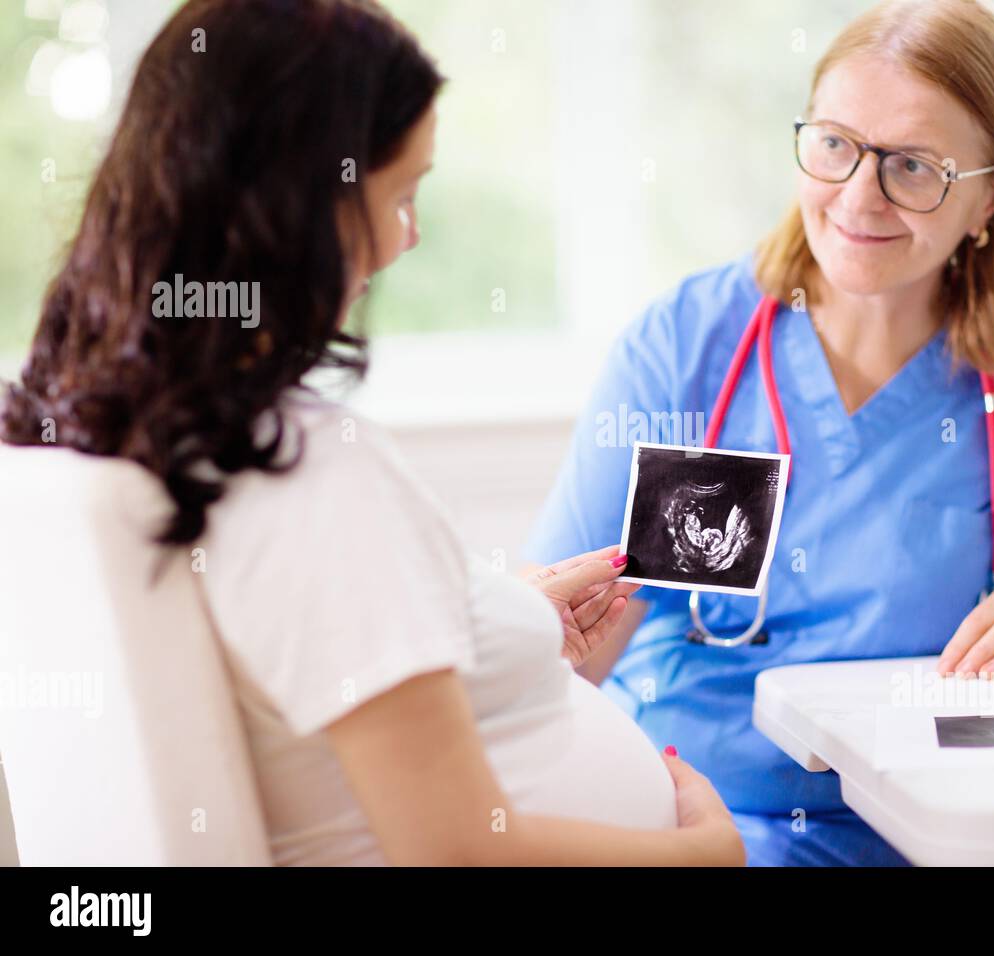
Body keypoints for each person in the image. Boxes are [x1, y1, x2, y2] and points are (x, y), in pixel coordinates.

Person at [0, 0, 743, 866]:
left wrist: (488, 633)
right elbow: (454, 851)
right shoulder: (308, 471)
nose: (409, 239)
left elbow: (302, 690)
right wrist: (708, 856)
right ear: (295, 207)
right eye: (400, 195)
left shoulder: (113, 438)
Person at [525, 0, 994, 866]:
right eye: (834, 145)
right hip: (703, 825)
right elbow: (556, 653)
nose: (860, 196)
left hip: (940, 833)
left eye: (912, 166)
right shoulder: (688, 348)